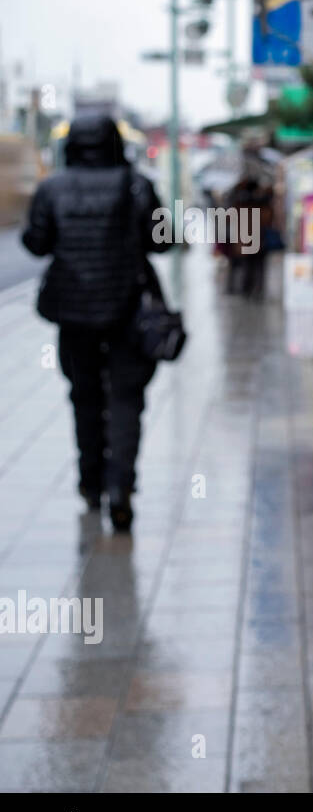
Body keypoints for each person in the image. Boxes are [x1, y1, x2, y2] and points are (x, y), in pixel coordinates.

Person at [21, 114, 171, 532]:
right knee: (126, 398)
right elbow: (161, 240)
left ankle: (90, 482)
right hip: (128, 310)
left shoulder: (52, 188)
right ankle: (122, 487)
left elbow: (36, 244)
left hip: (73, 311)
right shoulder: (137, 184)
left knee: (84, 396)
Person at [224, 160, 272, 298]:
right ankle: (256, 290)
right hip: (259, 240)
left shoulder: (238, 204)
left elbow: (229, 219)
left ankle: (244, 289)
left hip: (243, 240)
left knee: (245, 265)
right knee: (258, 267)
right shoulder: (263, 205)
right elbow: (268, 221)